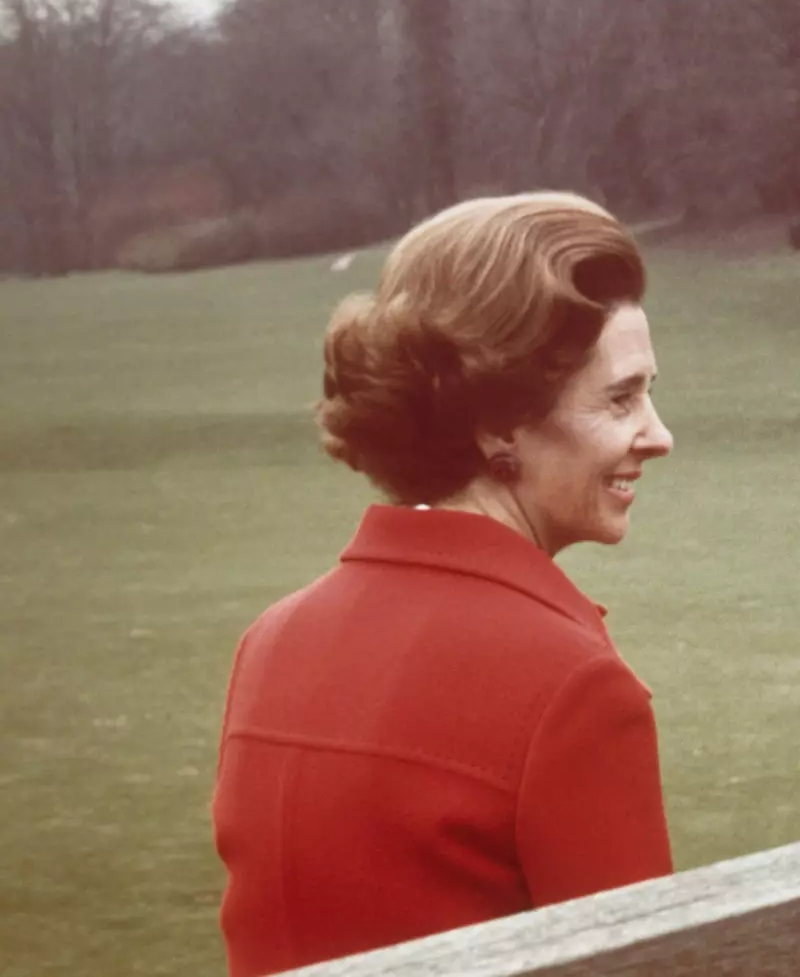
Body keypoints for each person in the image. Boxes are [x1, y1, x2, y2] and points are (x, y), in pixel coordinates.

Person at [212, 192, 676, 976]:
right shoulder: (573, 687)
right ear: (498, 422)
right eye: (621, 397)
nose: (658, 434)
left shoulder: (273, 640)